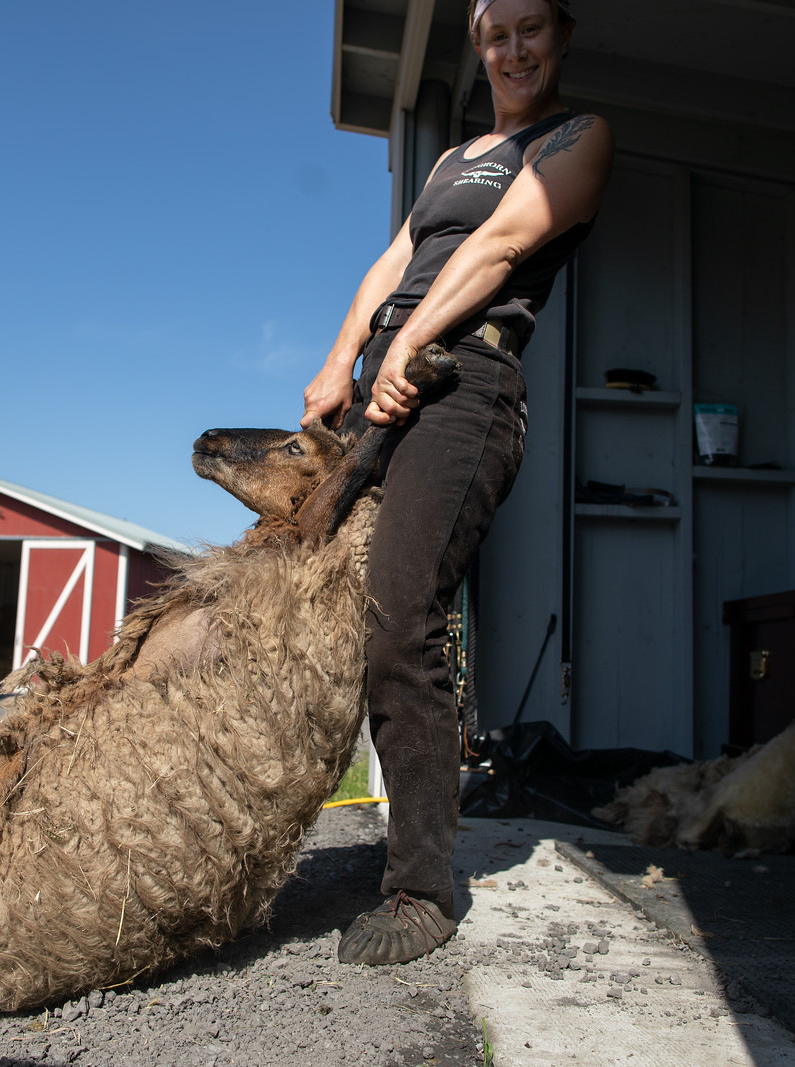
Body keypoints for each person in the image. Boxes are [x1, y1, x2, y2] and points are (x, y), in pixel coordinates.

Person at [301, 0, 613, 965]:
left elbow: (499, 248)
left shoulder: (578, 138)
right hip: (393, 372)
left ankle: (421, 890)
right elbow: (395, 258)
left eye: (531, 29)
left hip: (466, 379)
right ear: (477, 44)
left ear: (562, 34)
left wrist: (411, 343)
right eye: (496, 33)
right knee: (310, 592)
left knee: (403, 614)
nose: (513, 49)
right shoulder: (449, 161)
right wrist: (341, 354)